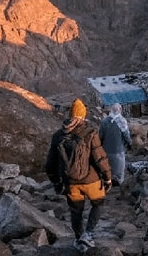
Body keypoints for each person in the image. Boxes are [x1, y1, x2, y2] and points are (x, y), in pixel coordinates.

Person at [45, 99, 112, 252]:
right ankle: (88, 234)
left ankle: (79, 239)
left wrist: (56, 182)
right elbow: (100, 158)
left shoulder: (58, 136)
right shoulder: (89, 132)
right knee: (98, 203)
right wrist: (107, 177)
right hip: (91, 180)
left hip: (70, 182)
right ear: (83, 115)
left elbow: (50, 163)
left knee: (76, 211)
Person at [99, 103, 132, 186]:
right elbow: (126, 135)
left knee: (108, 168)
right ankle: (119, 183)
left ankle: (108, 182)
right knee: (119, 169)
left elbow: (100, 136)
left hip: (106, 150)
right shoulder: (122, 121)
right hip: (119, 150)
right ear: (120, 110)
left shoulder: (104, 121)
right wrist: (129, 144)